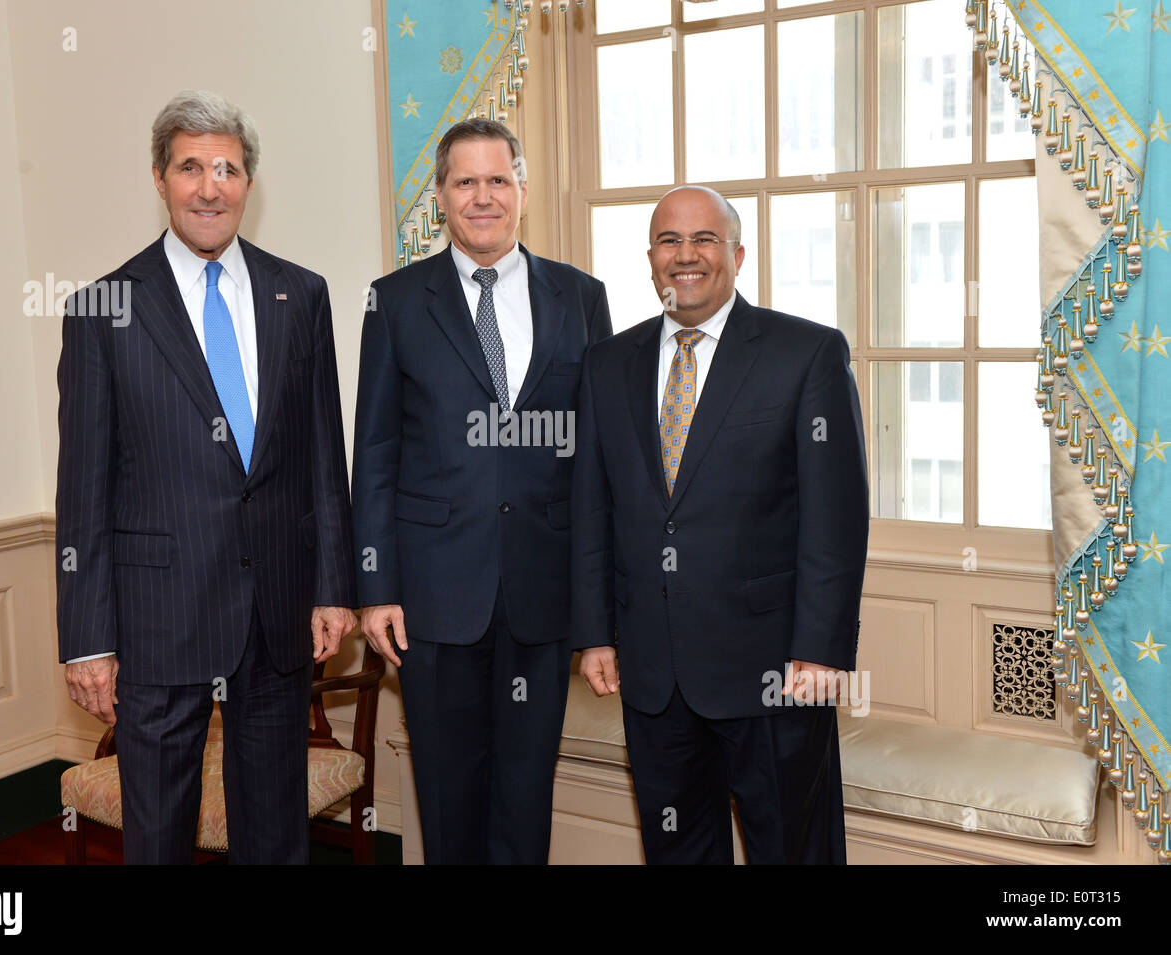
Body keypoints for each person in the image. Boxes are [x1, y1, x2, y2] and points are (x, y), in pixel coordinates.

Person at [56, 90, 357, 864]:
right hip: (157, 620)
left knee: (276, 836)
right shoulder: (104, 308)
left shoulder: (302, 296)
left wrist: (331, 585)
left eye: (226, 167)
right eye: (190, 166)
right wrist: (88, 639)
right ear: (160, 178)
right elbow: (82, 489)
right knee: (158, 838)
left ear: (249, 182)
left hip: (276, 616)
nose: (209, 186)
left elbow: (324, 457)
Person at [570, 185, 868, 864]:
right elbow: (593, 509)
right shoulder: (607, 364)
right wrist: (593, 634)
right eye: (670, 241)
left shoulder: (807, 353)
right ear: (651, 259)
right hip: (652, 675)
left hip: (776, 672)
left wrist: (820, 651)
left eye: (704, 239)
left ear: (735, 253)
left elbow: (836, 519)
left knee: (793, 849)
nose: (686, 255)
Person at [351, 118, 612, 863]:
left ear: (522, 190)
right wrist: (374, 585)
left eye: (498, 179)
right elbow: (374, 451)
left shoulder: (580, 297)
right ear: (440, 196)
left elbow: (599, 458)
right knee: (447, 792)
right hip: (432, 599)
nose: (483, 196)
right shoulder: (394, 301)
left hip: (543, 591)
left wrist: (599, 605)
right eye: (465, 181)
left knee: (526, 793)